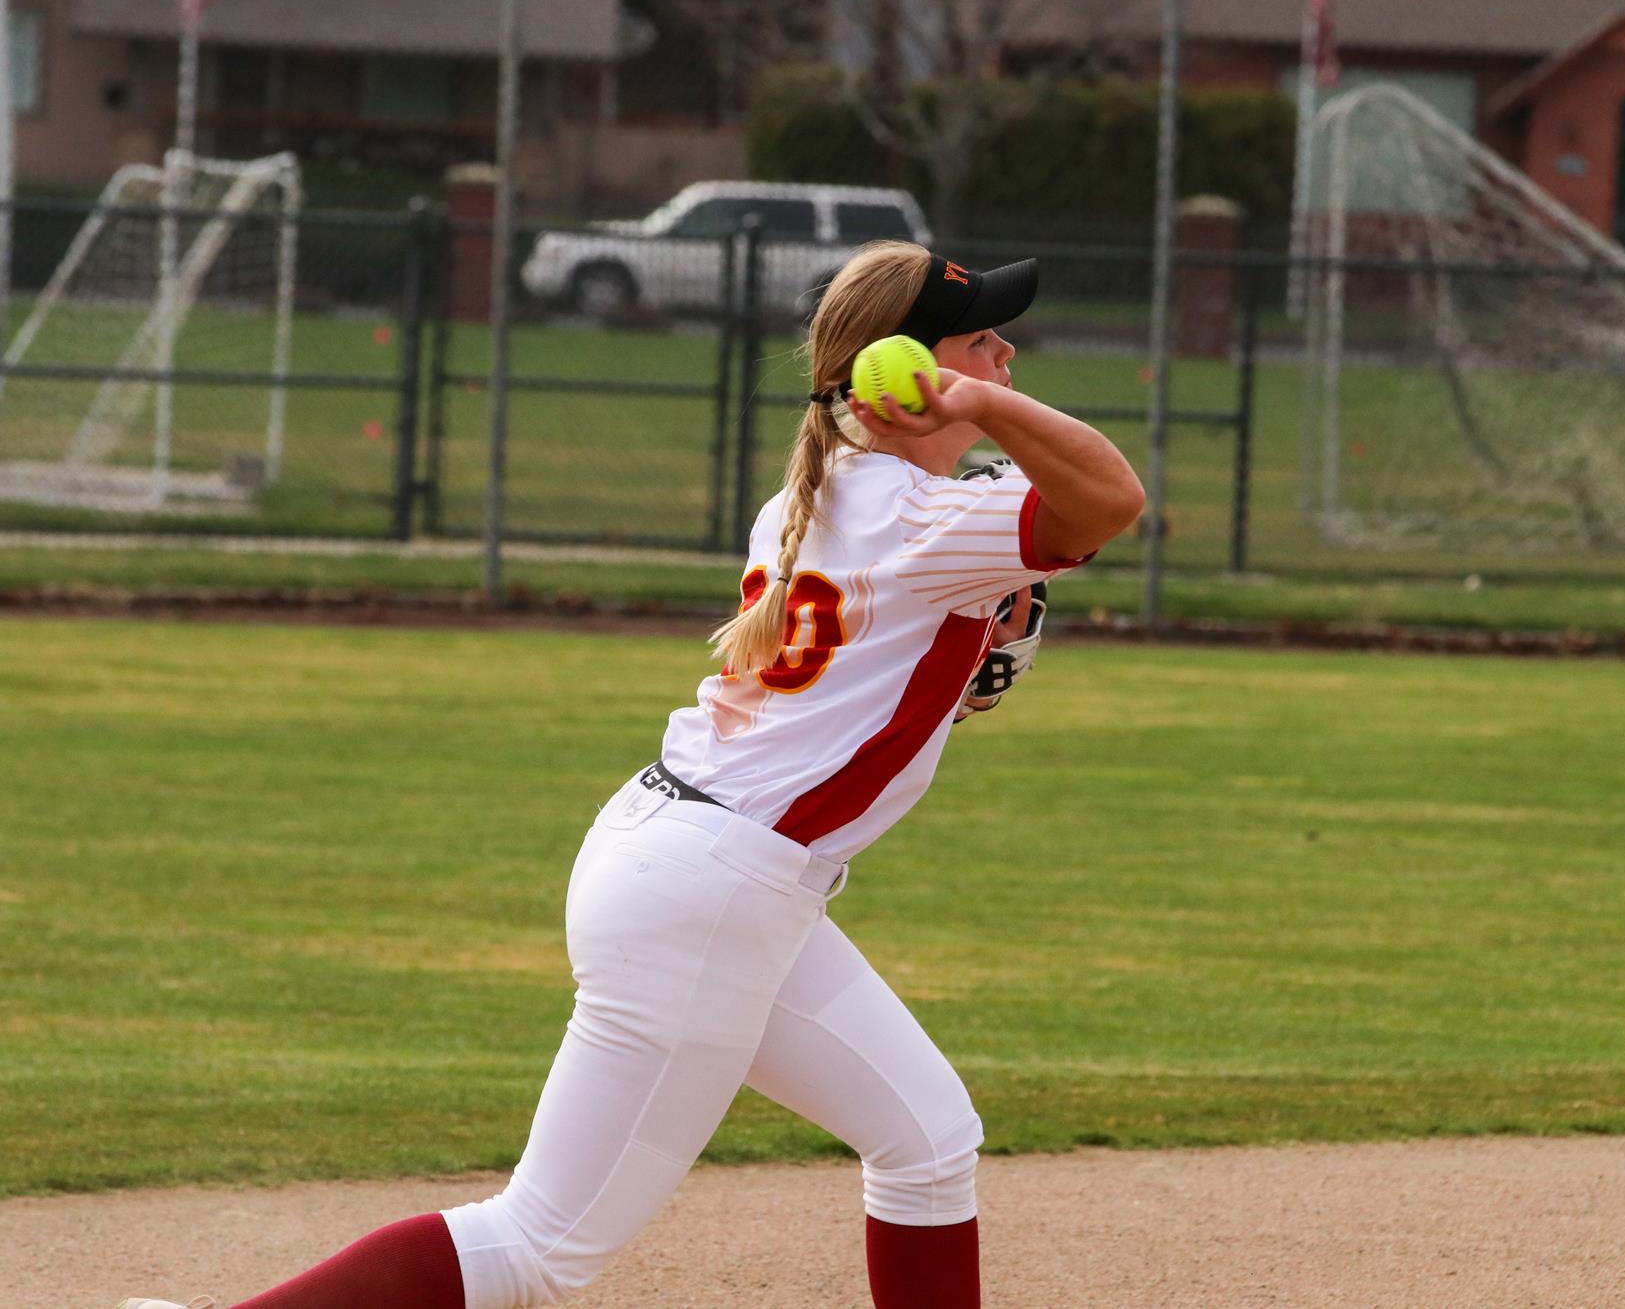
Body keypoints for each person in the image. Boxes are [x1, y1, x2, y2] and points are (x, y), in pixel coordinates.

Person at [118, 241, 1147, 1309]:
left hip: (699, 864)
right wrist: (982, 409)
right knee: (535, 1245)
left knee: (926, 1138)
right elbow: (1112, 496)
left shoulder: (835, 489)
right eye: (981, 339)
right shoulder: (917, 515)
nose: (1004, 352)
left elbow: (923, 657)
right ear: (910, 371)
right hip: (714, 890)